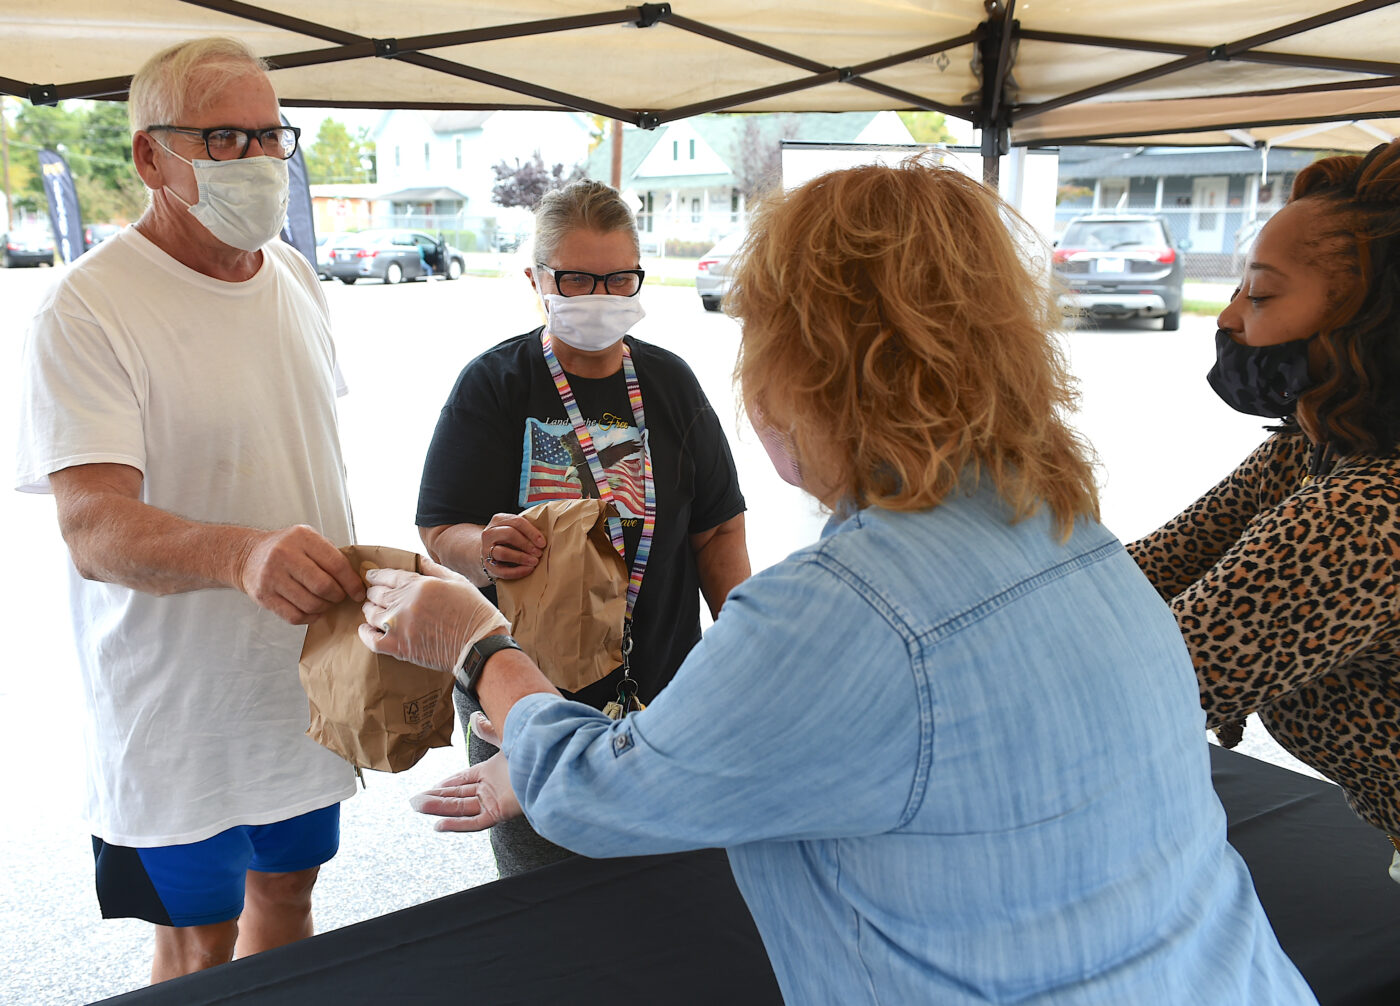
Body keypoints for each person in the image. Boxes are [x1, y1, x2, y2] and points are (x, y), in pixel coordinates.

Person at [363, 159, 1315, 1003]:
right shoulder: (1079, 542)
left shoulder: (844, 611)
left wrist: (475, 644)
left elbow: (593, 793)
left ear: (809, 370)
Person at [13, 38, 364, 982]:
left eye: (268, 136)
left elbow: (298, 451)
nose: (254, 160)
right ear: (148, 157)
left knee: (290, 895)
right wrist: (242, 556)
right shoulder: (88, 307)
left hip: (297, 687)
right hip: (175, 716)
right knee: (197, 940)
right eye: (221, 136)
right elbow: (91, 526)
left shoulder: (293, 276)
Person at [414, 178, 750, 877]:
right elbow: (440, 529)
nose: (598, 295)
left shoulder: (671, 385)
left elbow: (717, 533)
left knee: (663, 893)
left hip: (662, 701)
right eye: (574, 278)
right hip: (525, 709)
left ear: (638, 278)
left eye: (617, 277)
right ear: (535, 278)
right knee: (549, 906)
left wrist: (746, 657)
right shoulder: (495, 386)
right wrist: (483, 550)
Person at [1127, 139, 1400, 884]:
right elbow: (1147, 569)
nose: (1231, 317)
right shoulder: (1313, 452)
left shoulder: (1367, 515)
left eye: (1262, 293)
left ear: (1368, 324)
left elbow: (1144, 679)